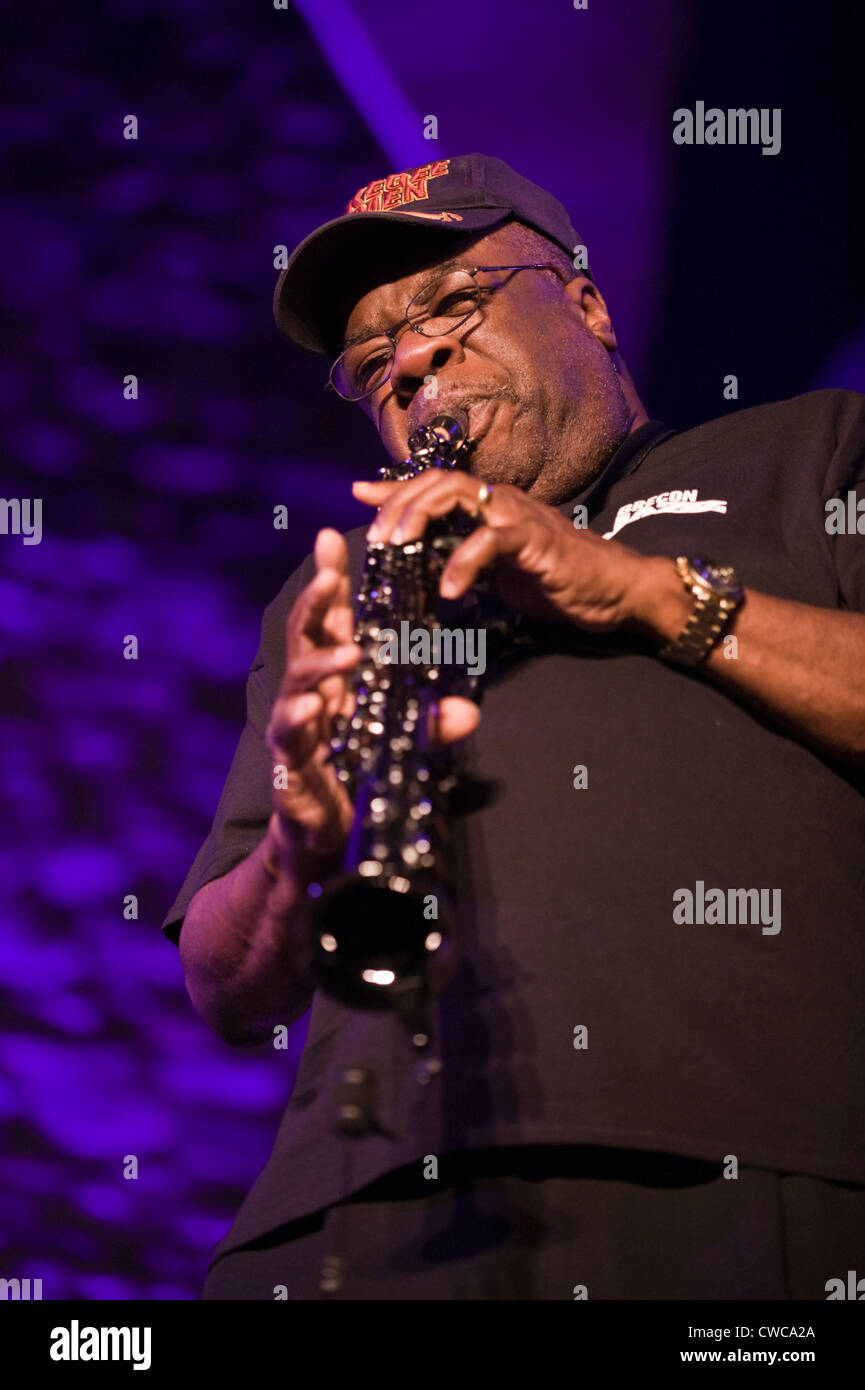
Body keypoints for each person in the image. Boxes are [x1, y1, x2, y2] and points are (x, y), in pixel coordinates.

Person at [163, 154, 865, 1301]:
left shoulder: (808, 453)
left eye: (451, 305)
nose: (410, 362)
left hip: (737, 1173)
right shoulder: (335, 591)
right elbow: (228, 987)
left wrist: (640, 592)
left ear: (585, 301)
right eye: (369, 357)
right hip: (346, 1214)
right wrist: (297, 835)